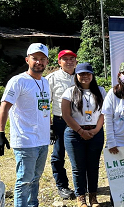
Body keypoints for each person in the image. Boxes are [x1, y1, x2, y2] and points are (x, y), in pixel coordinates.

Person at [0, 43, 51, 207]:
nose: (39, 62)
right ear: (27, 60)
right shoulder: (18, 81)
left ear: (47, 62)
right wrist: (0, 133)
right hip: (25, 140)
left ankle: (32, 204)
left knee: (35, 178)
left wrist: (51, 128)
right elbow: (4, 107)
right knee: (24, 181)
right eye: (35, 58)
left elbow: (44, 108)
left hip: (42, 140)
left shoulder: (45, 83)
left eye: (42, 59)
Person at [61, 63, 106, 207]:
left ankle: (93, 197)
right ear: (76, 76)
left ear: (92, 75)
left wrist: (96, 130)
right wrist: (81, 131)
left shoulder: (101, 91)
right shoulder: (69, 92)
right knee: (78, 167)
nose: (85, 76)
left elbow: (104, 113)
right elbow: (66, 115)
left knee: (93, 166)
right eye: (81, 74)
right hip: (74, 134)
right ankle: (81, 198)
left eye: (88, 74)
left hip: (95, 133)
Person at [46, 49, 77, 200]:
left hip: (80, 120)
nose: (69, 61)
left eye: (72, 59)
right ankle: (62, 186)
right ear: (59, 62)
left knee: (81, 153)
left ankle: (82, 185)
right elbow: (45, 104)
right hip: (60, 121)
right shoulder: (51, 78)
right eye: (65, 59)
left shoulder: (81, 76)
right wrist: (49, 126)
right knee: (58, 155)